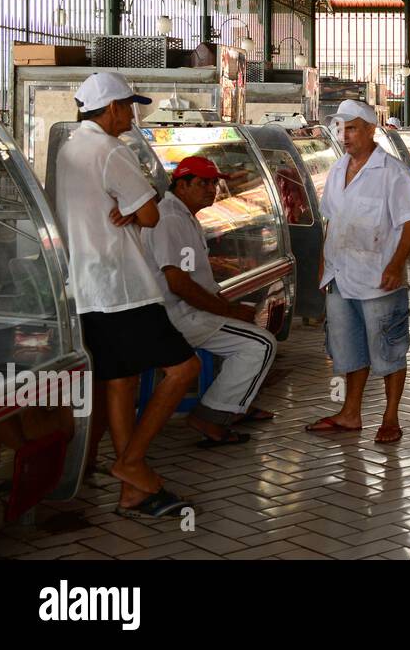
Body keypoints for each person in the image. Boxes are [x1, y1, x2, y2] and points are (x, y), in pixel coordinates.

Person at [55, 72, 198, 518]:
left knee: (119, 380)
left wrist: (128, 207)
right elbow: (152, 216)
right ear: (113, 108)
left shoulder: (69, 148)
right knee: (183, 369)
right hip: (124, 288)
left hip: (88, 288)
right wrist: (136, 207)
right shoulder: (111, 150)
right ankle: (130, 462)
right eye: (129, 106)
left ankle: (133, 488)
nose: (132, 115)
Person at [306, 100, 410, 444]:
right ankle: (351, 412)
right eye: (342, 129)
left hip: (379, 278)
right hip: (341, 276)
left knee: (388, 348)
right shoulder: (338, 169)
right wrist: (323, 264)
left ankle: (390, 417)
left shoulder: (392, 172)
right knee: (348, 349)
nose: (345, 136)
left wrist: (395, 265)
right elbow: (332, 220)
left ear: (372, 129)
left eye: (353, 128)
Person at [142, 155, 276, 446]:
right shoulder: (170, 219)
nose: (211, 189)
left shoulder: (183, 215)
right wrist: (227, 310)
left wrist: (226, 306)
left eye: (214, 183)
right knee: (260, 345)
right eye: (203, 183)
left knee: (251, 331)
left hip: (191, 310)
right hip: (178, 316)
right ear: (182, 185)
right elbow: (178, 284)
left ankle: (233, 405)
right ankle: (213, 417)